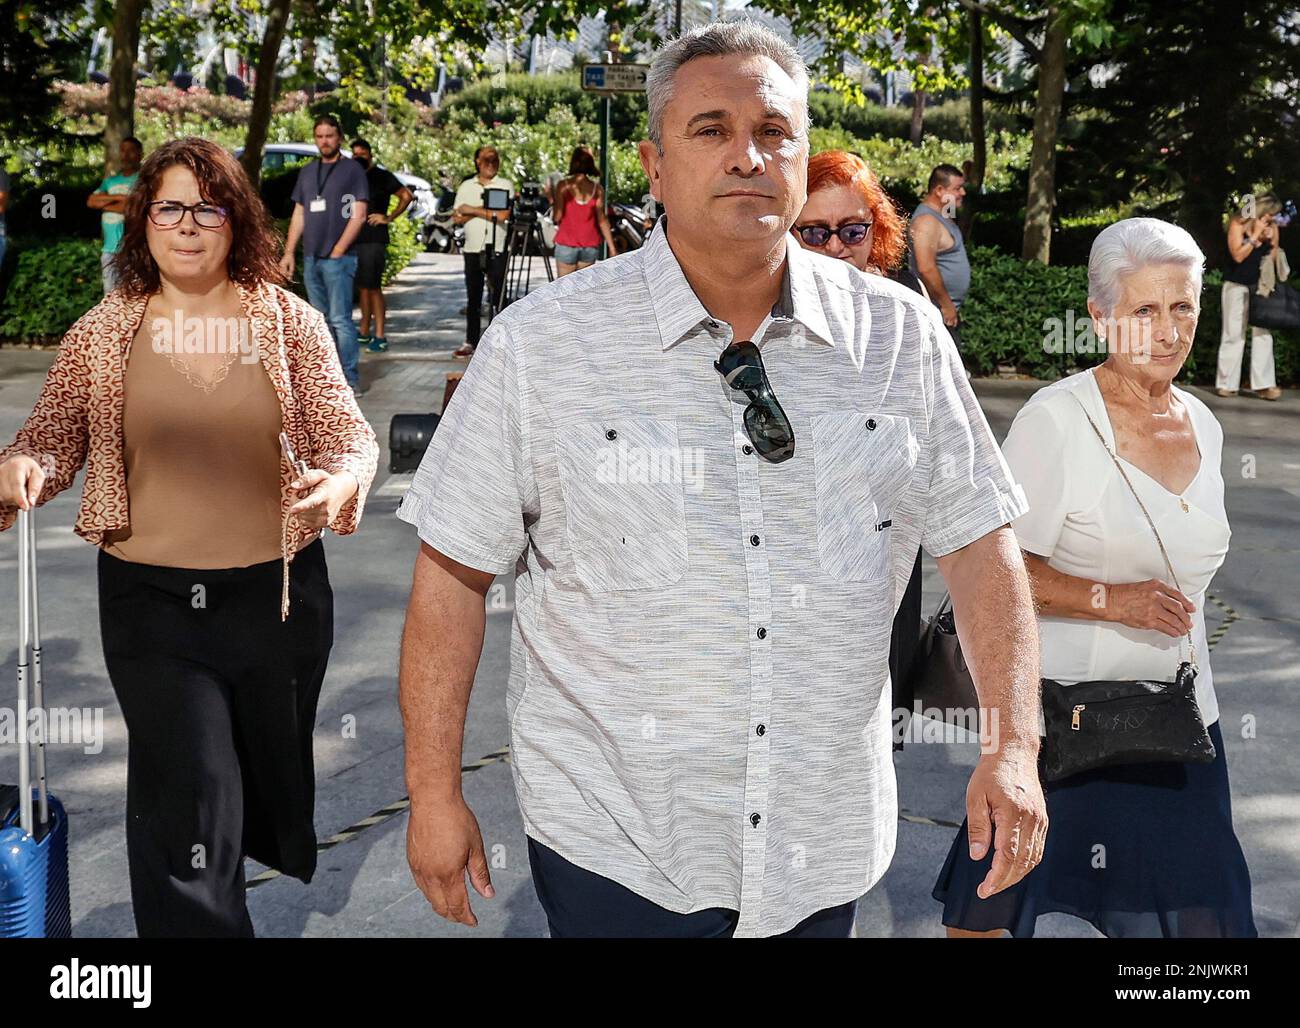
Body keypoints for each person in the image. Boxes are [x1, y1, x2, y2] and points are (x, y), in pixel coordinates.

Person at [396, 21, 1045, 940]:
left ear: (804, 152)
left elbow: (983, 549)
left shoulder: (900, 340)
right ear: (656, 168)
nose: (748, 155)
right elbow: (453, 577)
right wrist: (433, 790)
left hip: (820, 846)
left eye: (774, 131)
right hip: (617, 849)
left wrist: (1013, 748)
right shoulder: (541, 348)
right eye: (710, 130)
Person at [0, 137, 379, 937]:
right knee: (192, 799)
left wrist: (340, 484)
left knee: (259, 791)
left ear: (236, 221)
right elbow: (50, 433)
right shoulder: (104, 331)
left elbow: (351, 439)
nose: (187, 224)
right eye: (168, 207)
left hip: (277, 604)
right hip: (152, 609)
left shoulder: (288, 323)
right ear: (142, 224)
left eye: (208, 206)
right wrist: (24, 463)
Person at [933, 218, 1257, 939]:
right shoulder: (1057, 422)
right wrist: (1115, 601)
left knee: (1207, 927)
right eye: (1145, 310)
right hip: (1063, 726)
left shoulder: (1205, 424)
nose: (1168, 331)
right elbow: (994, 568)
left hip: (1177, 723)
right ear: (1101, 318)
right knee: (989, 912)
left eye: (1183, 308)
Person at [792, 148, 925, 742]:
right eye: (815, 232)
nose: (837, 246)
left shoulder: (905, 323)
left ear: (879, 232)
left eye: (853, 230)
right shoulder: (758, 318)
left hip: (877, 569)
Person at [279, 115, 369, 394]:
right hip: (312, 257)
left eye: (329, 135)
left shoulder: (352, 170)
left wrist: (339, 249)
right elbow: (300, 212)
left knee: (341, 319)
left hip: (338, 259)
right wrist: (289, 251)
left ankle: (349, 378)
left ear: (339, 137)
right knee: (319, 321)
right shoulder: (308, 172)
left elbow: (360, 213)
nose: (324, 141)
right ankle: (326, 377)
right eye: (319, 136)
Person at [1217, 192, 1284, 400]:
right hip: (1237, 285)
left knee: (1263, 335)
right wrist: (1254, 237)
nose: (1272, 219)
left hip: (1260, 287)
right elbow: (1237, 255)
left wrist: (1272, 243)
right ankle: (1227, 383)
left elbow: (1272, 261)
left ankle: (1264, 385)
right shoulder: (1239, 223)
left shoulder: (1272, 228)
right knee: (1233, 334)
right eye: (1270, 214)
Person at [350, 138, 413, 354]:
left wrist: (388, 217)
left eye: (362, 153)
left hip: (374, 239)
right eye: (354, 153)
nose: (358, 157)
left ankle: (380, 335)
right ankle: (364, 330)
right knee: (363, 287)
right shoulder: (351, 176)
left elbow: (406, 196)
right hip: (355, 239)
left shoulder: (381, 176)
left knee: (374, 287)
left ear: (370, 155)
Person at [451, 145, 513, 359]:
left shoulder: (505, 184)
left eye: (495, 159)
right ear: (477, 161)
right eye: (486, 160)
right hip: (472, 247)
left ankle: (502, 340)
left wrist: (473, 209)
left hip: (497, 246)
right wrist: (486, 211)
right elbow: (457, 216)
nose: (491, 164)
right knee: (473, 296)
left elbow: (503, 215)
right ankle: (471, 340)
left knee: (499, 295)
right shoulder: (466, 186)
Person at [908, 163, 970, 349]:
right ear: (940, 190)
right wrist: (946, 305)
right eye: (957, 188)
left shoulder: (943, 214)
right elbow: (926, 267)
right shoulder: (926, 222)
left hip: (944, 314)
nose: (963, 193)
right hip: (936, 315)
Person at [87, 136, 143, 294]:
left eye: (131, 150)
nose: (126, 155)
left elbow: (133, 208)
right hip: (109, 251)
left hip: (132, 250)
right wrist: (119, 198)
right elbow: (91, 201)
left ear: (139, 153)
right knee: (109, 299)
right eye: (123, 150)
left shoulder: (142, 180)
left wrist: (106, 205)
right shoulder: (110, 181)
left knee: (133, 298)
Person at [551, 145, 617, 276]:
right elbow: (602, 220)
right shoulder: (597, 189)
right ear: (590, 164)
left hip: (566, 244)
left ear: (573, 162)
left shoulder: (563, 186)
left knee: (563, 291)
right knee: (583, 292)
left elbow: (557, 217)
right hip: (589, 245)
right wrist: (612, 247)